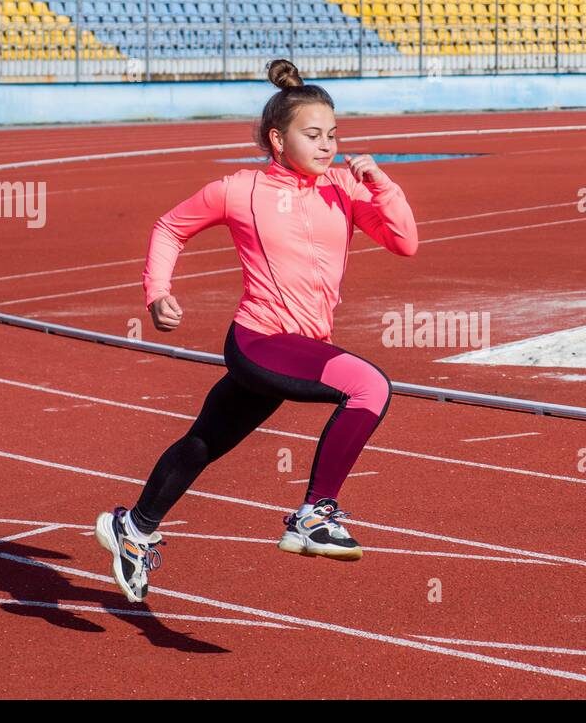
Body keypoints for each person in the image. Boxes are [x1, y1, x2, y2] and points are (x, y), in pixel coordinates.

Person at [95, 58, 419, 603]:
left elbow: (404, 242)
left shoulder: (344, 187)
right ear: (277, 138)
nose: (326, 146)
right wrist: (157, 292)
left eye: (333, 135)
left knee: (203, 443)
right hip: (258, 343)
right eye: (312, 135)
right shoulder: (239, 189)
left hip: (298, 348)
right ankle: (315, 511)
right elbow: (170, 227)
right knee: (369, 387)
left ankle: (134, 528)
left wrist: (383, 186)